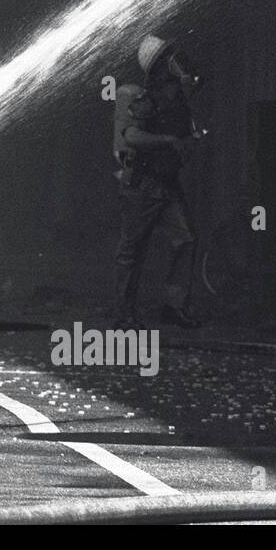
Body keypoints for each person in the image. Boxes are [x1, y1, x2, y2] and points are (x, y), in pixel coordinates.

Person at [111, 34, 205, 329]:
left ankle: (174, 307)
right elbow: (131, 136)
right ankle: (124, 315)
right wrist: (167, 140)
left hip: (166, 183)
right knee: (133, 250)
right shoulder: (138, 96)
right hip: (143, 184)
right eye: (168, 58)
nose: (176, 61)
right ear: (158, 67)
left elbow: (188, 128)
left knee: (186, 239)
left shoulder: (177, 96)